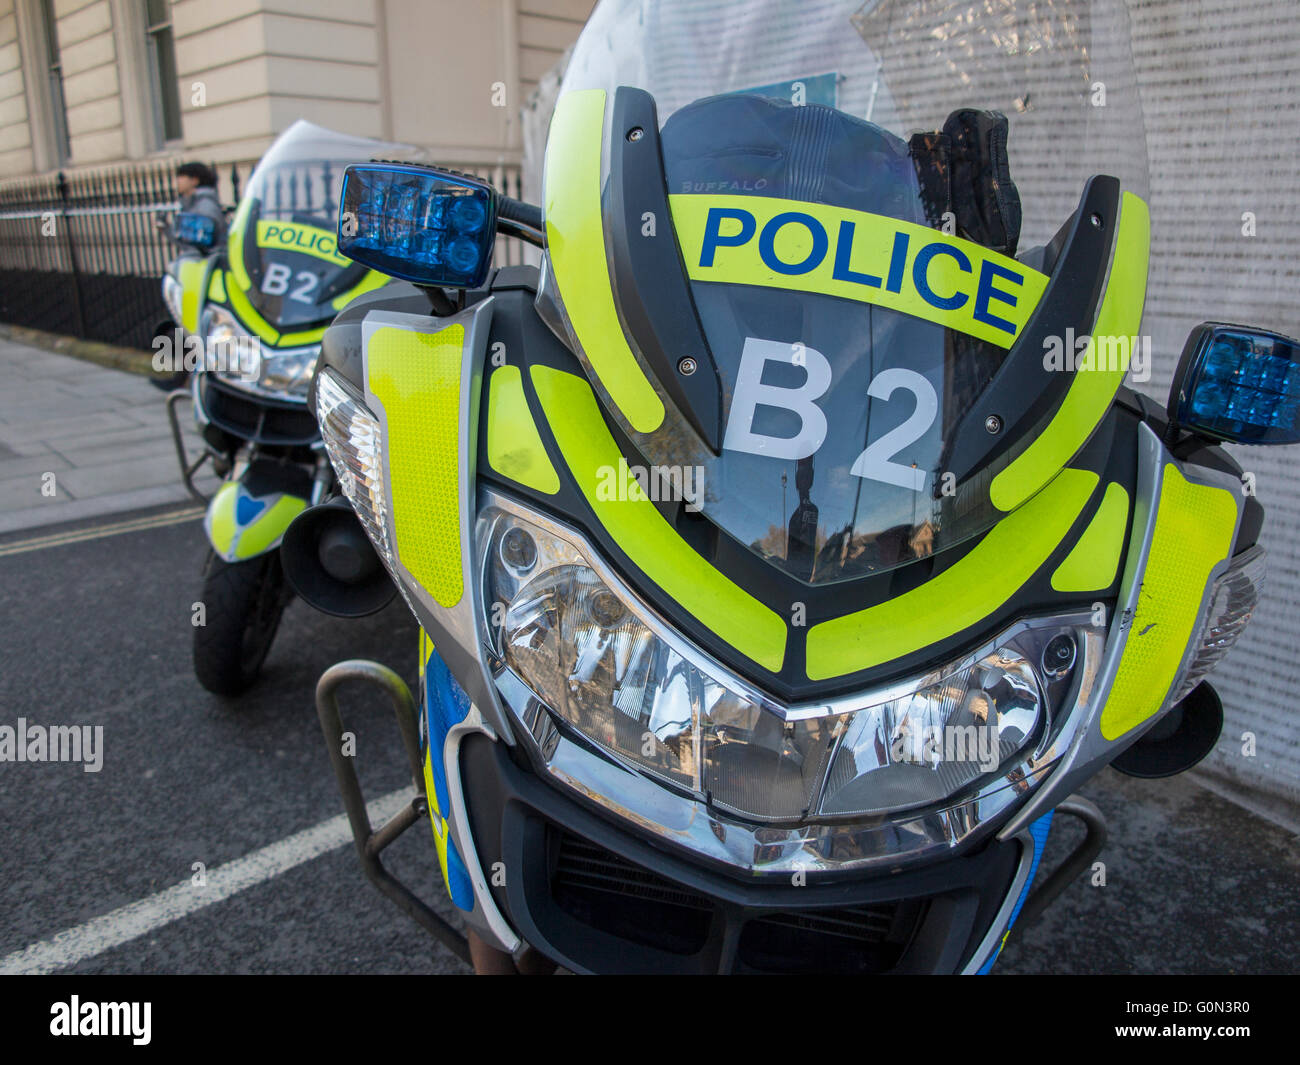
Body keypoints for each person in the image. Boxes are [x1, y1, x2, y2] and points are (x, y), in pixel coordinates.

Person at [157, 161, 226, 248]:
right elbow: (187, 243)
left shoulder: (204, 206)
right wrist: (166, 229)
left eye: (182, 176)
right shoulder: (191, 204)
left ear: (194, 181)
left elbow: (201, 245)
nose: (178, 181)